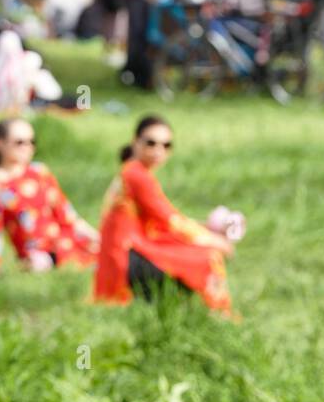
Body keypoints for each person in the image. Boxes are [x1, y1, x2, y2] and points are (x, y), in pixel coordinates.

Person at [93, 115, 233, 312]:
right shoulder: (136, 175)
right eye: (151, 143)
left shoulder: (135, 172)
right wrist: (211, 238)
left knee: (195, 249)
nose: (158, 151)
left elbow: (162, 218)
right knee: (209, 256)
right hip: (125, 255)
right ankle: (218, 315)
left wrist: (203, 228)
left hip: (129, 248)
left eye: (166, 145)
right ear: (135, 141)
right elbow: (169, 220)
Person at [0, 118, 98, 276]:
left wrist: (98, 237)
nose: (27, 148)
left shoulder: (40, 172)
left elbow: (68, 215)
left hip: (66, 241)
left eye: (31, 142)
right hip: (36, 255)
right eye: (20, 142)